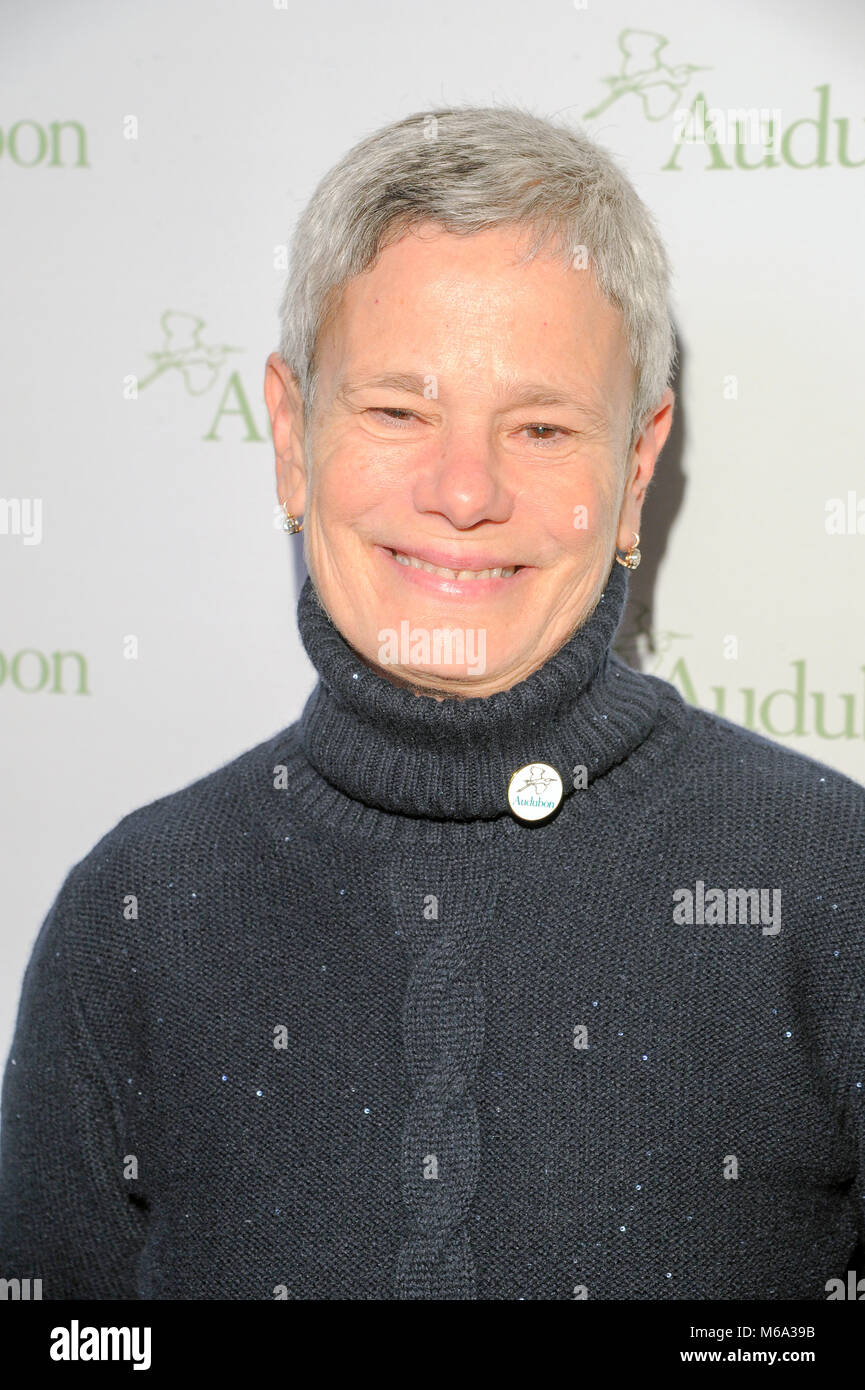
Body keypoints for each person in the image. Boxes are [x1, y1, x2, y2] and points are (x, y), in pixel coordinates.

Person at [1, 105, 863, 1301]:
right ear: (291, 440)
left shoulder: (829, 880)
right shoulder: (134, 912)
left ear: (635, 468)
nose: (464, 491)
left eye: (543, 425)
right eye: (398, 410)